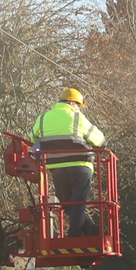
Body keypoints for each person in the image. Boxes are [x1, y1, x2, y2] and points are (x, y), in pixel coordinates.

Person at [29, 88, 106, 237]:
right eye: (78, 105)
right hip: (81, 167)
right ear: (71, 103)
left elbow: (33, 137)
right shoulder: (77, 118)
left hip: (57, 169)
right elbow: (100, 140)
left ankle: (87, 228)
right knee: (78, 203)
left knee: (66, 202)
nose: (79, 109)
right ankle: (76, 234)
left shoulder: (43, 118)